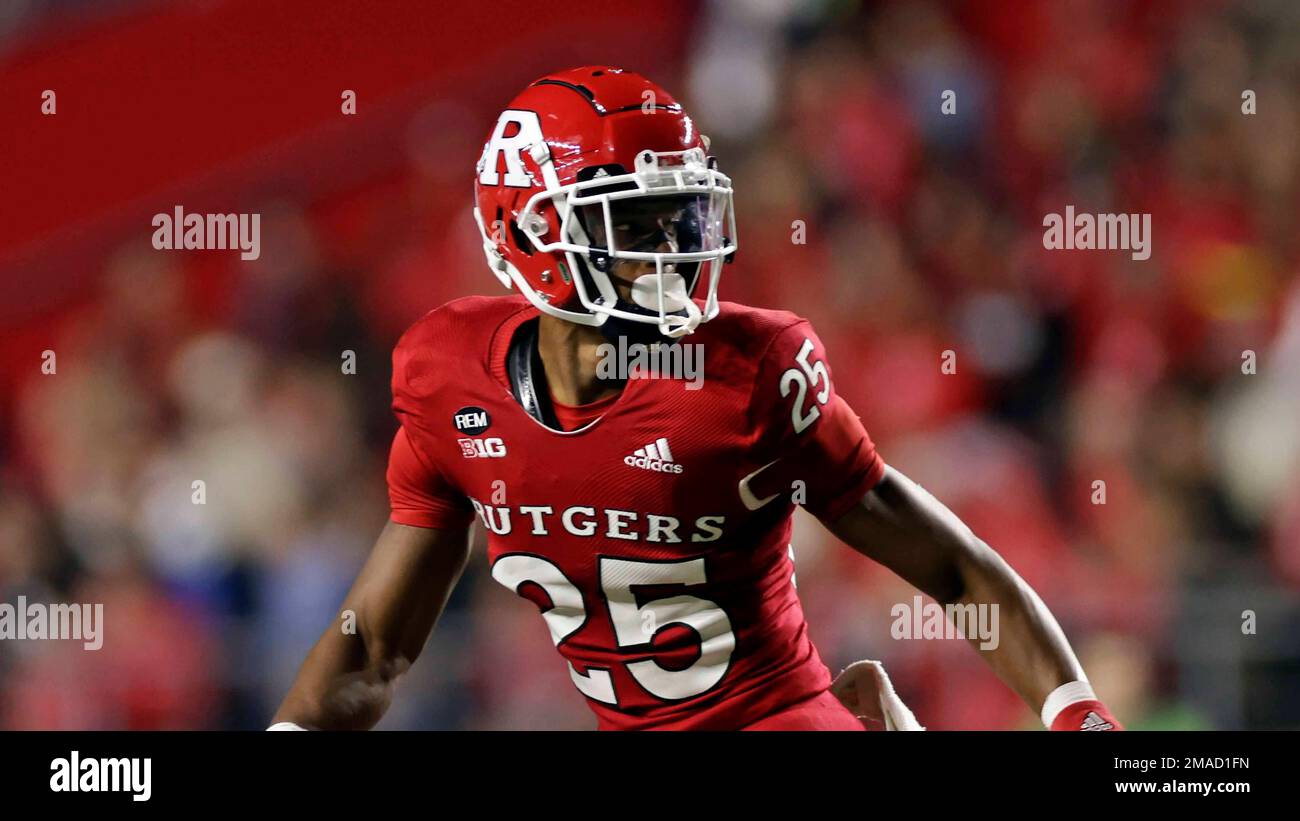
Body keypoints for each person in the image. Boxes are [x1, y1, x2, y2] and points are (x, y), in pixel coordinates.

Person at [272, 67, 1120, 731]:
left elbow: (955, 566)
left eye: (682, 219)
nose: (675, 252)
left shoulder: (745, 378)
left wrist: (1080, 714)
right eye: (636, 225)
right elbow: (374, 646)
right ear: (529, 230)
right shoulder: (450, 380)